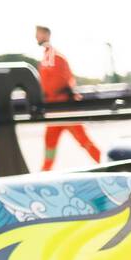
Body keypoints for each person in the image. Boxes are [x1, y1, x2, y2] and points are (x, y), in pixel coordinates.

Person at [34, 26, 100, 170]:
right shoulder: (49, 55)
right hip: (55, 111)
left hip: (63, 109)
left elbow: (56, 82)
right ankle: (43, 175)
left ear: (46, 35)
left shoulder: (53, 56)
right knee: (50, 146)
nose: (36, 37)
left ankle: (108, 166)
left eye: (38, 34)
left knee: (84, 142)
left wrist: (46, 98)